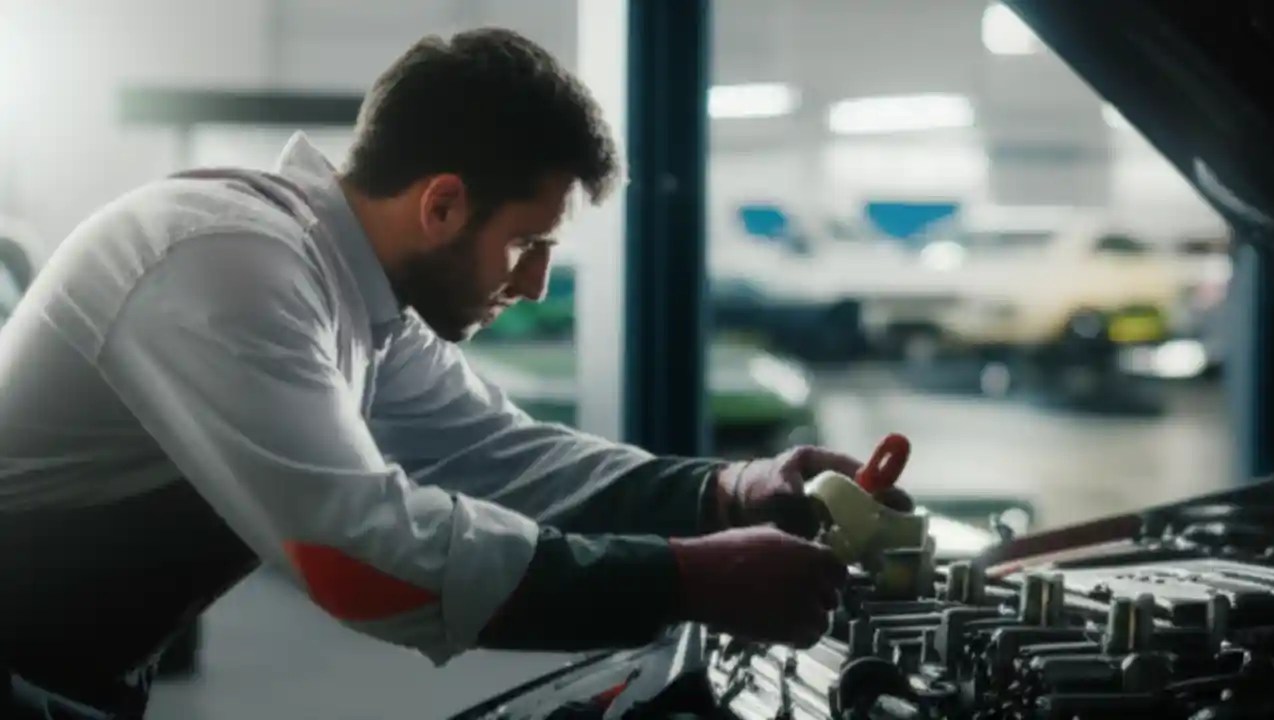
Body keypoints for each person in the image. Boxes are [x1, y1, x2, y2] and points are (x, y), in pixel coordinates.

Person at [0, 28, 903, 719]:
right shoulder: (229, 265)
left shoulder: (355, 298)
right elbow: (357, 559)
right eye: (526, 243)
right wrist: (691, 581)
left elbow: (510, 461)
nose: (535, 282)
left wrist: (735, 493)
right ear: (441, 204)